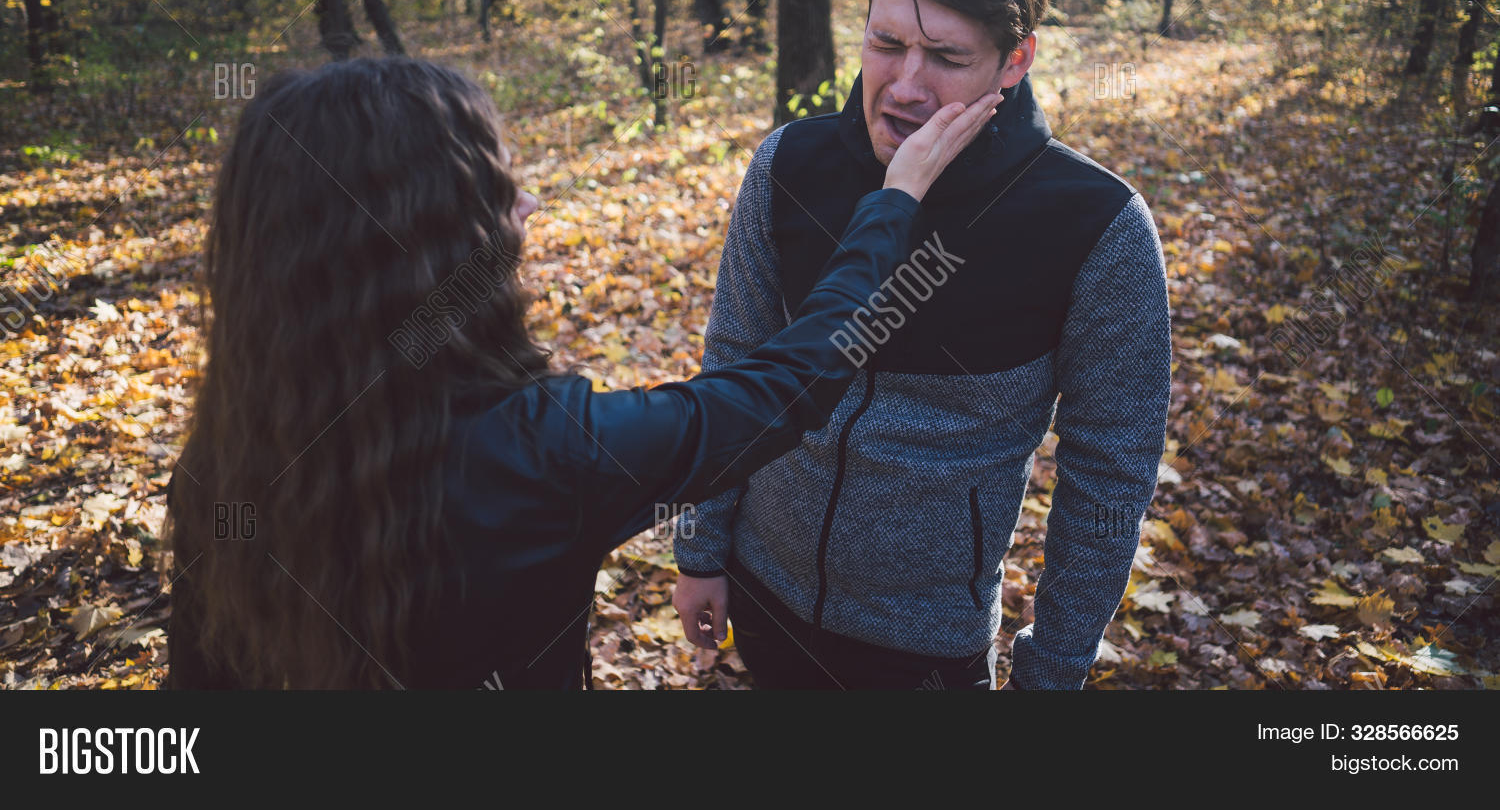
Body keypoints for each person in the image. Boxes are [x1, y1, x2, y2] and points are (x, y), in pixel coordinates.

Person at [164, 56, 998, 689]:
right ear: (426, 245)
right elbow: (779, 391)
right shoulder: (541, 455)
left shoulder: (222, 463)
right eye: (495, 190)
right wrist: (893, 204)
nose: (527, 208)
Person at [671, 0, 1172, 690]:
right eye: (886, 43)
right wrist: (702, 550)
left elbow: (1109, 474)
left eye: (945, 55)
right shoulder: (788, 167)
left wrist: (1054, 671)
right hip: (760, 596)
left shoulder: (1096, 225)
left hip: (926, 646)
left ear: (1015, 60)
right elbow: (733, 360)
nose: (905, 84)